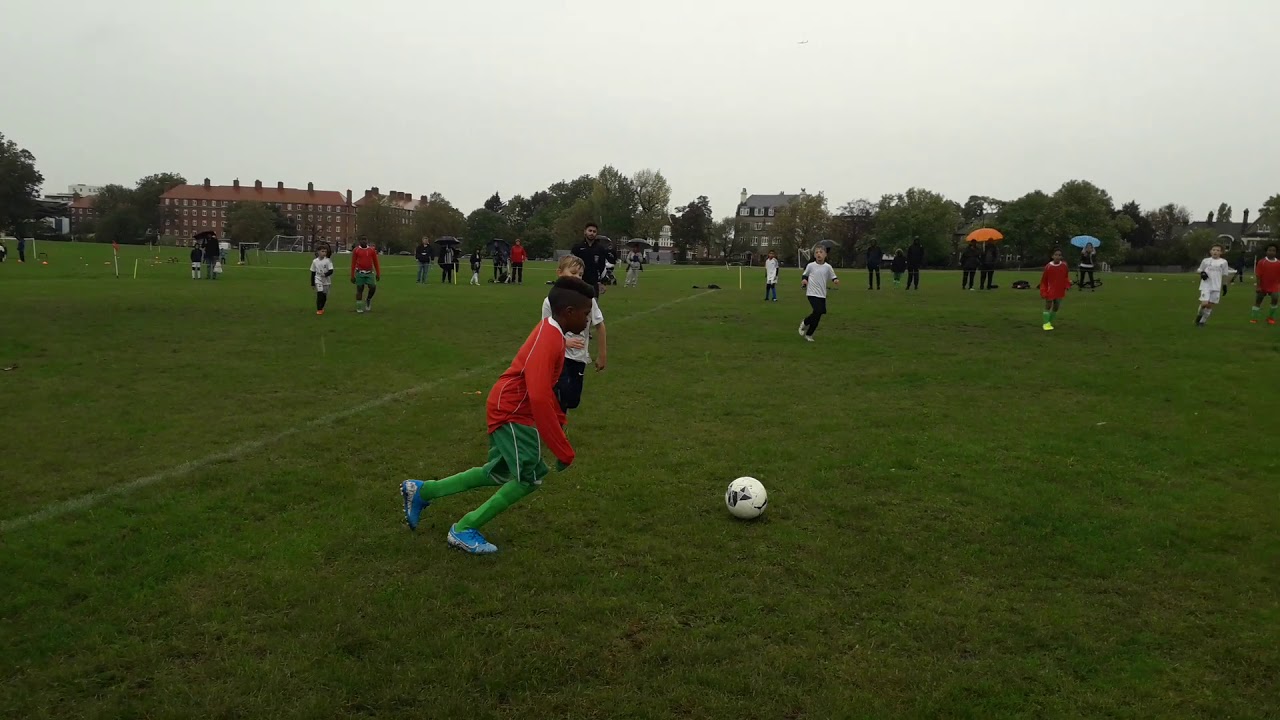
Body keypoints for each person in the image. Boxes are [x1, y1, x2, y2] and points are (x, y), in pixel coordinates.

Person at [398, 276, 596, 554]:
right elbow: (539, 396)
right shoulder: (549, 339)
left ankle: (423, 491)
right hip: (512, 410)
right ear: (569, 312)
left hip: (511, 406)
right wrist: (562, 450)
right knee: (529, 478)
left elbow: (544, 392)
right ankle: (464, 528)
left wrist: (560, 422)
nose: (588, 320)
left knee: (498, 472)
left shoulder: (554, 334)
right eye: (586, 313)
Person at [542, 256, 607, 412]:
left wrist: (602, 355)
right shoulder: (550, 301)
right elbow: (545, 331)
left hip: (579, 357)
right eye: (573, 273)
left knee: (573, 400)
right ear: (559, 273)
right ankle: (554, 422)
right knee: (561, 396)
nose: (577, 277)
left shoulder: (588, 300)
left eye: (580, 274)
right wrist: (563, 342)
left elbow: (600, 325)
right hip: (559, 356)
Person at [798, 246, 839, 342]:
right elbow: (805, 275)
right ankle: (804, 323)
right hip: (811, 293)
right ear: (814, 255)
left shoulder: (828, 267)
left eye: (821, 252)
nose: (818, 254)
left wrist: (835, 280)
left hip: (822, 294)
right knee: (818, 311)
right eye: (816, 252)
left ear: (825, 255)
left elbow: (833, 276)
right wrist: (804, 280)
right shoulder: (811, 265)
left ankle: (809, 334)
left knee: (818, 315)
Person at [1194, 244, 1235, 327]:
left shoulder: (1223, 262)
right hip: (1206, 285)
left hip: (1216, 287)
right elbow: (1199, 270)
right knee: (1204, 304)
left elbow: (1225, 274)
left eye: (1217, 250)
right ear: (1210, 251)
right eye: (1213, 250)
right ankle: (1199, 316)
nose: (1215, 252)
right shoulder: (1206, 261)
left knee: (1209, 306)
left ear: (1221, 252)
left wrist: (1224, 286)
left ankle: (1202, 322)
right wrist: (1202, 273)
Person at [571, 223, 609, 294]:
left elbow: (602, 266)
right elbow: (571, 265)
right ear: (585, 232)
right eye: (590, 230)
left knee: (593, 301)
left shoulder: (600, 249)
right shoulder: (577, 247)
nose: (592, 233)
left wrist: (602, 283)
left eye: (594, 231)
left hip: (593, 283)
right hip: (579, 282)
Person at [1039, 248, 1070, 331]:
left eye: (1059, 255)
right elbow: (1044, 280)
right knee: (1048, 305)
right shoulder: (1048, 267)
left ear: (1061, 257)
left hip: (1059, 290)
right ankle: (1045, 324)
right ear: (1052, 256)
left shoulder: (1064, 265)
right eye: (1056, 255)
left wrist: (1067, 284)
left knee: (1056, 307)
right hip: (1050, 289)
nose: (1057, 256)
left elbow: (1066, 276)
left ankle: (1049, 322)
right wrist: (1043, 291)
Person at [350, 235, 381, 313]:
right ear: (359, 241)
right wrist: (352, 275)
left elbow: (376, 262)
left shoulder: (371, 250)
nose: (364, 241)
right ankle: (359, 307)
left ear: (367, 241)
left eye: (365, 239)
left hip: (369, 272)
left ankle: (368, 299)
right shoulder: (356, 250)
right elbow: (353, 263)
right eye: (362, 239)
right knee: (360, 289)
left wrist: (378, 273)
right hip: (360, 272)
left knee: (373, 287)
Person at [1250, 243, 1279, 325]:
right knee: (1258, 301)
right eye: (1269, 250)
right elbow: (1258, 275)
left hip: (1274, 286)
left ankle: (1270, 318)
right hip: (1263, 285)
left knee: (1275, 298)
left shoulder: (1278, 263)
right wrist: (1258, 286)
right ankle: (1254, 318)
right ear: (1266, 251)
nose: (1271, 252)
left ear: (1276, 252)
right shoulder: (1262, 262)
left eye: (1273, 250)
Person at [310, 244, 334, 315]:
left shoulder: (328, 261)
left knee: (324, 296)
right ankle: (319, 309)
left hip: (326, 280)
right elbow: (313, 272)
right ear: (318, 252)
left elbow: (331, 271)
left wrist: (325, 274)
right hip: (318, 279)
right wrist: (312, 283)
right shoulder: (315, 261)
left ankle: (322, 307)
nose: (324, 253)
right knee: (319, 294)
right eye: (322, 251)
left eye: (325, 251)